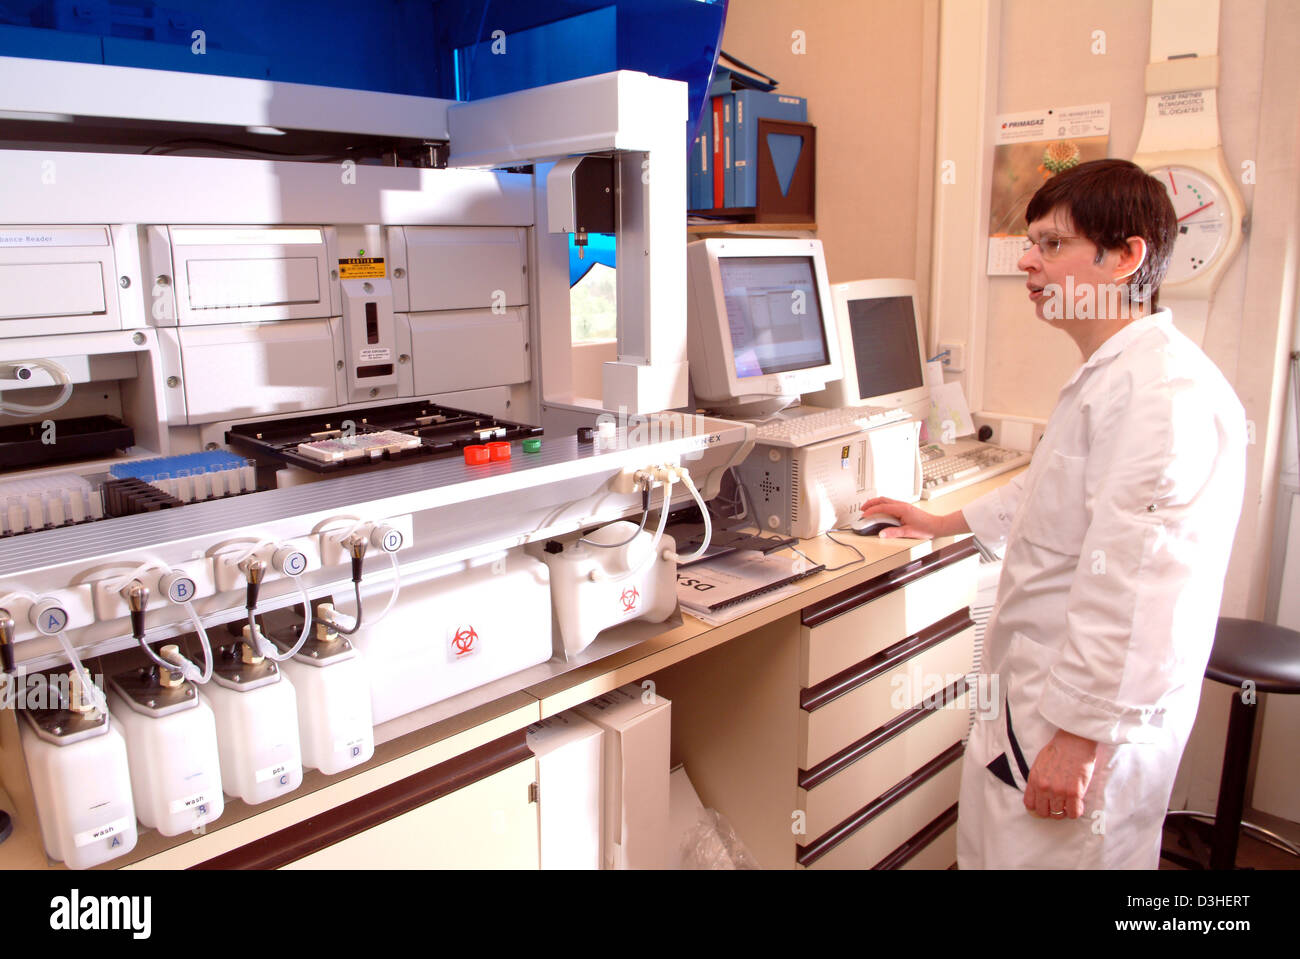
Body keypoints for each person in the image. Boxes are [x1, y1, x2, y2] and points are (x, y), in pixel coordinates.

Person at [861, 159, 1248, 869]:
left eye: (1051, 244)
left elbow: (1138, 589)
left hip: (1076, 727)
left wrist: (1078, 738)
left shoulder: (1160, 396)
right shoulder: (1116, 375)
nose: (1027, 261)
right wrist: (942, 522)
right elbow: (1051, 490)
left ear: (1127, 255)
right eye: (1029, 242)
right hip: (1041, 705)